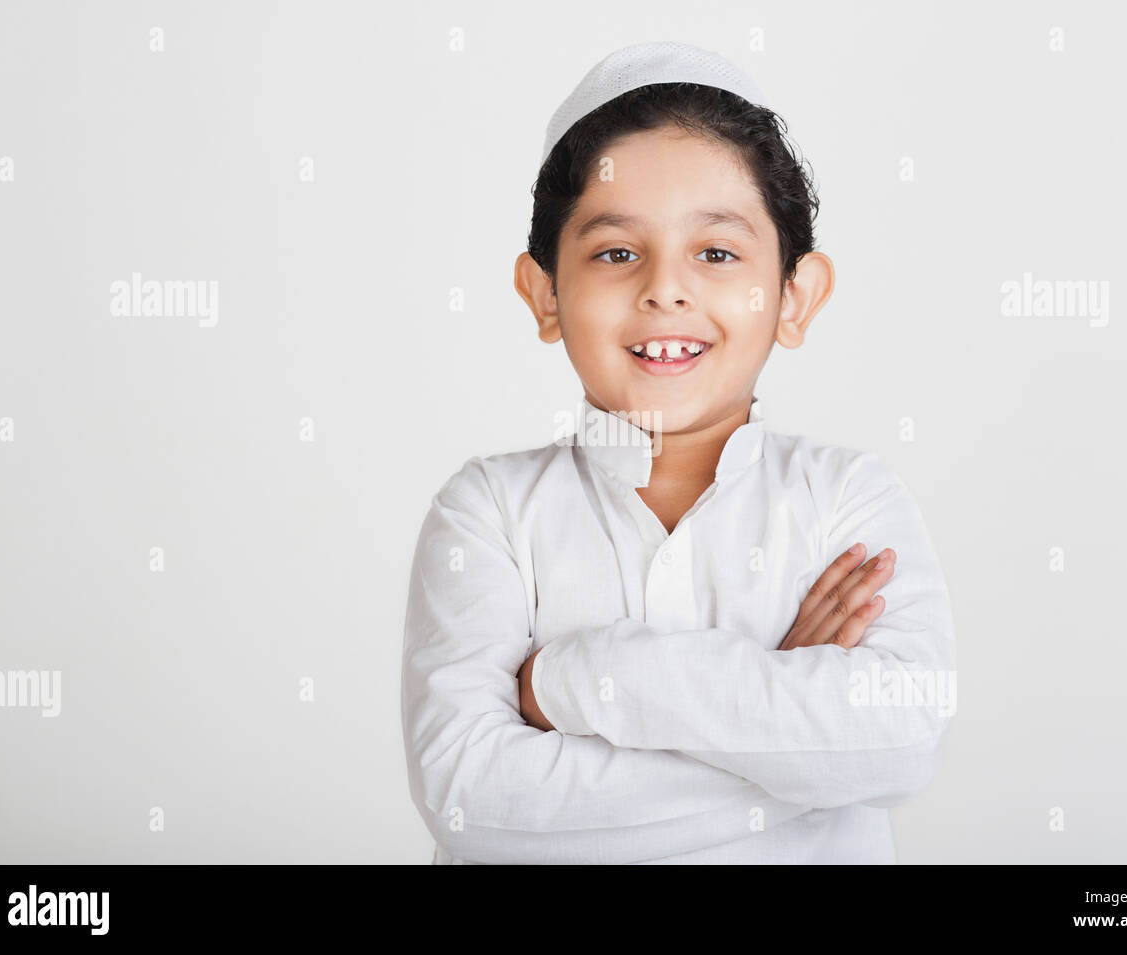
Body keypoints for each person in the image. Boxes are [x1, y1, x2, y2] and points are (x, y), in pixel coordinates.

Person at [400, 40, 956, 864]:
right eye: (617, 252)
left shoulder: (849, 499)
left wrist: (570, 679)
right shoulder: (486, 511)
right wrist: (796, 745)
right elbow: (472, 800)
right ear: (545, 292)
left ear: (795, 299)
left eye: (718, 252)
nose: (667, 287)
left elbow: (899, 739)